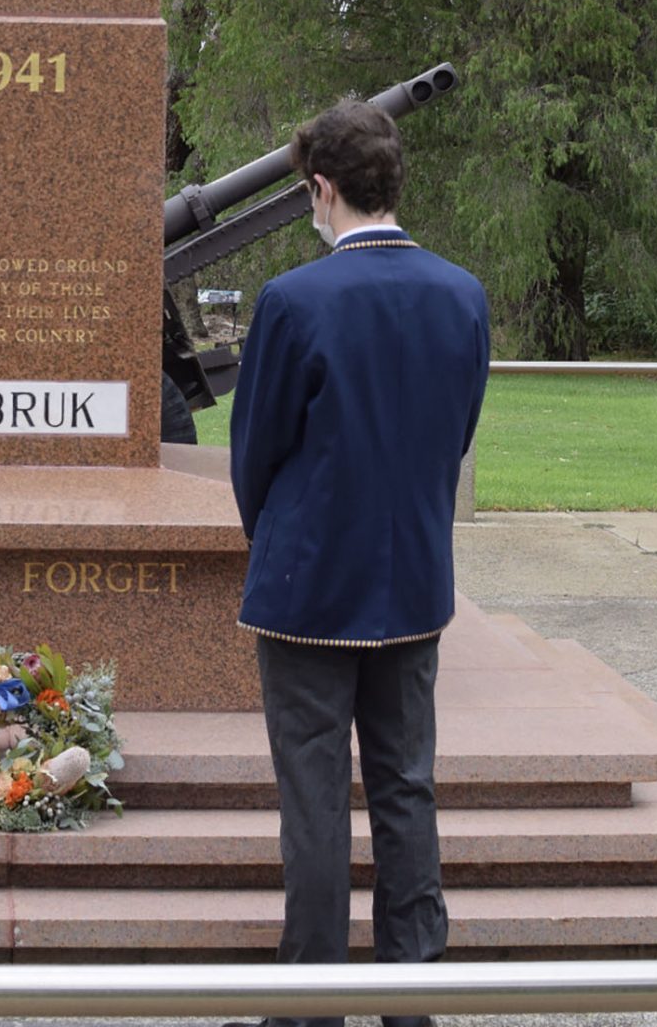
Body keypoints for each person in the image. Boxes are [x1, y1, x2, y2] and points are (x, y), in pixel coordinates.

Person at [228, 96, 489, 1027]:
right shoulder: (462, 294)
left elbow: (254, 452)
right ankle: (411, 994)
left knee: (313, 800)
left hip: (307, 582)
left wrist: (283, 535)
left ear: (323, 189)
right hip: (412, 576)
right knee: (405, 785)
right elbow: (454, 437)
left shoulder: (295, 300)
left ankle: (310, 1001)